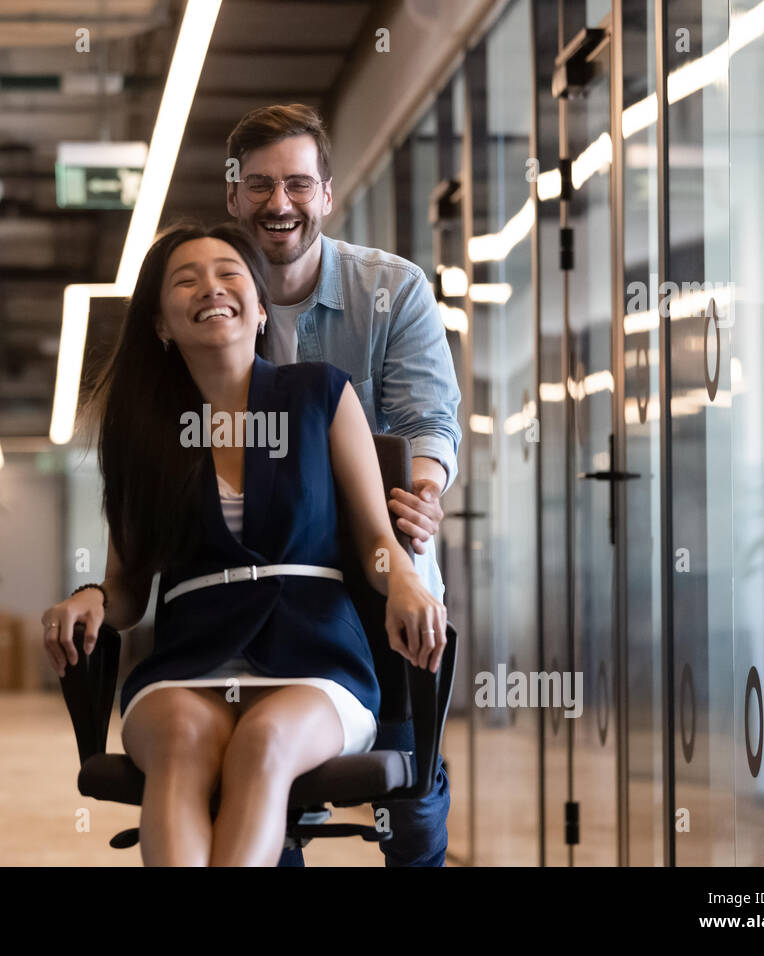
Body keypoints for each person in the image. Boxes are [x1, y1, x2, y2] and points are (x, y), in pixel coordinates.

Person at [40, 221, 447, 867]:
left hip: (317, 660)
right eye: (186, 279)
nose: (211, 287)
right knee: (179, 742)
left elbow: (374, 539)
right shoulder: (143, 432)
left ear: (260, 308)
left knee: (265, 742)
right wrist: (88, 597)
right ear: (162, 324)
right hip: (187, 663)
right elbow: (126, 590)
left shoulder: (321, 394)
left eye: (229, 273)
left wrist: (401, 577)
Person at [225, 104, 463, 867]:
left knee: (409, 793)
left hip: (379, 570)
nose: (279, 204)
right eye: (259, 186)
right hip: (260, 582)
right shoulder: (211, 296)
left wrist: (420, 494)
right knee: (258, 785)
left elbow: (429, 420)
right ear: (233, 196)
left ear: (328, 193)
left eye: (298, 184)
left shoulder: (392, 290)